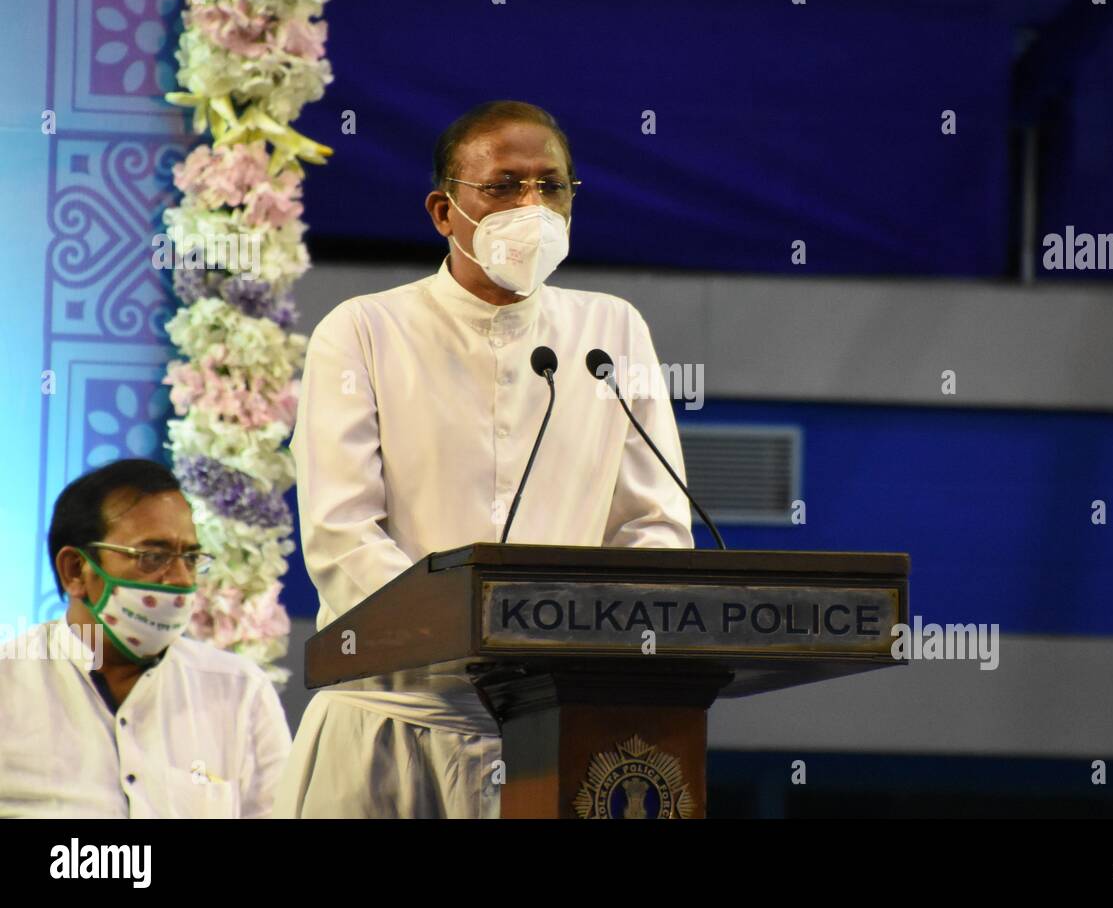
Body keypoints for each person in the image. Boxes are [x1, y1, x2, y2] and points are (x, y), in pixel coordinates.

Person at [274, 100, 694, 818]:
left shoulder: (612, 329)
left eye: (552, 186)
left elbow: (654, 528)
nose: (532, 205)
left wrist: (571, 645)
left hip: (555, 730)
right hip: (392, 722)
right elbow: (342, 537)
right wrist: (484, 632)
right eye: (503, 186)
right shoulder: (364, 331)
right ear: (444, 211)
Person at [0, 459, 292, 817]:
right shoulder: (9, 685)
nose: (182, 579)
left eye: (190, 557)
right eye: (153, 557)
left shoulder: (239, 690)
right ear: (75, 571)